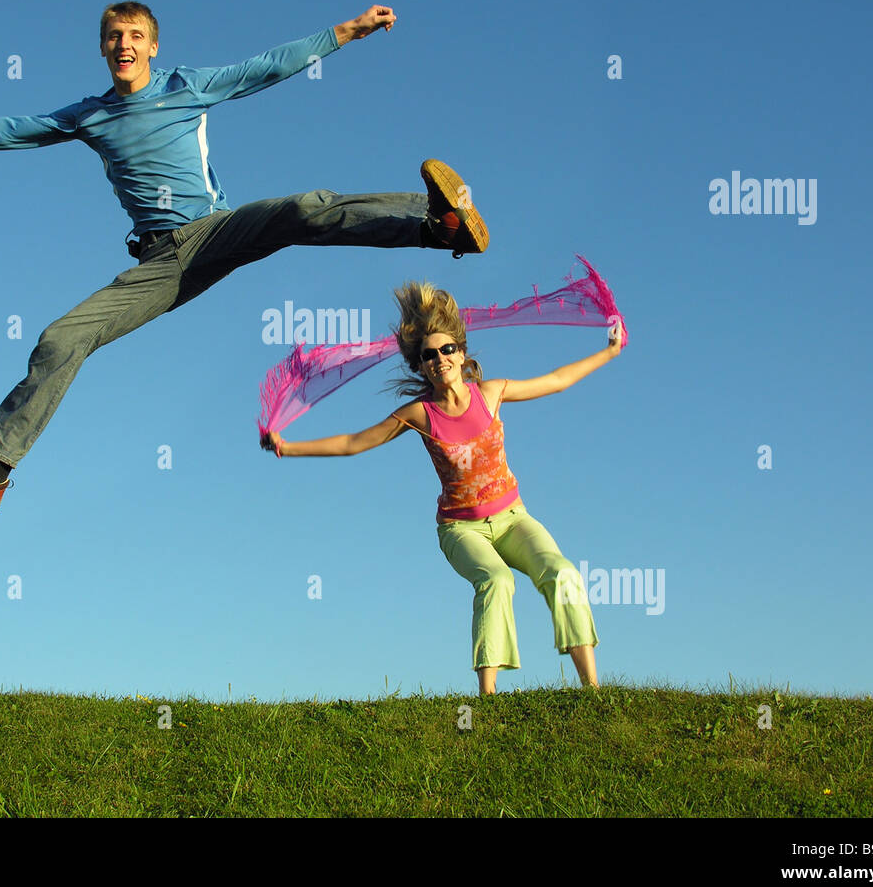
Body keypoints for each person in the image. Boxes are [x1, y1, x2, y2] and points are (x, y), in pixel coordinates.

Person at [0, 1, 489, 511]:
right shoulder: (89, 115)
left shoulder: (184, 85)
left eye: (136, 35)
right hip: (160, 265)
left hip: (212, 230)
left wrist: (346, 32)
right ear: (102, 48)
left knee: (302, 210)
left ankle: (437, 224)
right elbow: (17, 128)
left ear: (152, 47)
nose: (125, 44)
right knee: (59, 338)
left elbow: (265, 68)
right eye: (114, 36)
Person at [262, 282, 622, 695]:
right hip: (461, 530)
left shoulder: (492, 393)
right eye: (429, 355)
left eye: (447, 350)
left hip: (512, 518)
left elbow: (557, 380)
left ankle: (592, 690)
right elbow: (353, 443)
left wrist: (609, 351)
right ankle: (487, 698)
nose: (439, 359)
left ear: (462, 353)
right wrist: (287, 449)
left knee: (562, 573)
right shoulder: (419, 414)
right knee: (497, 581)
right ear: (421, 366)